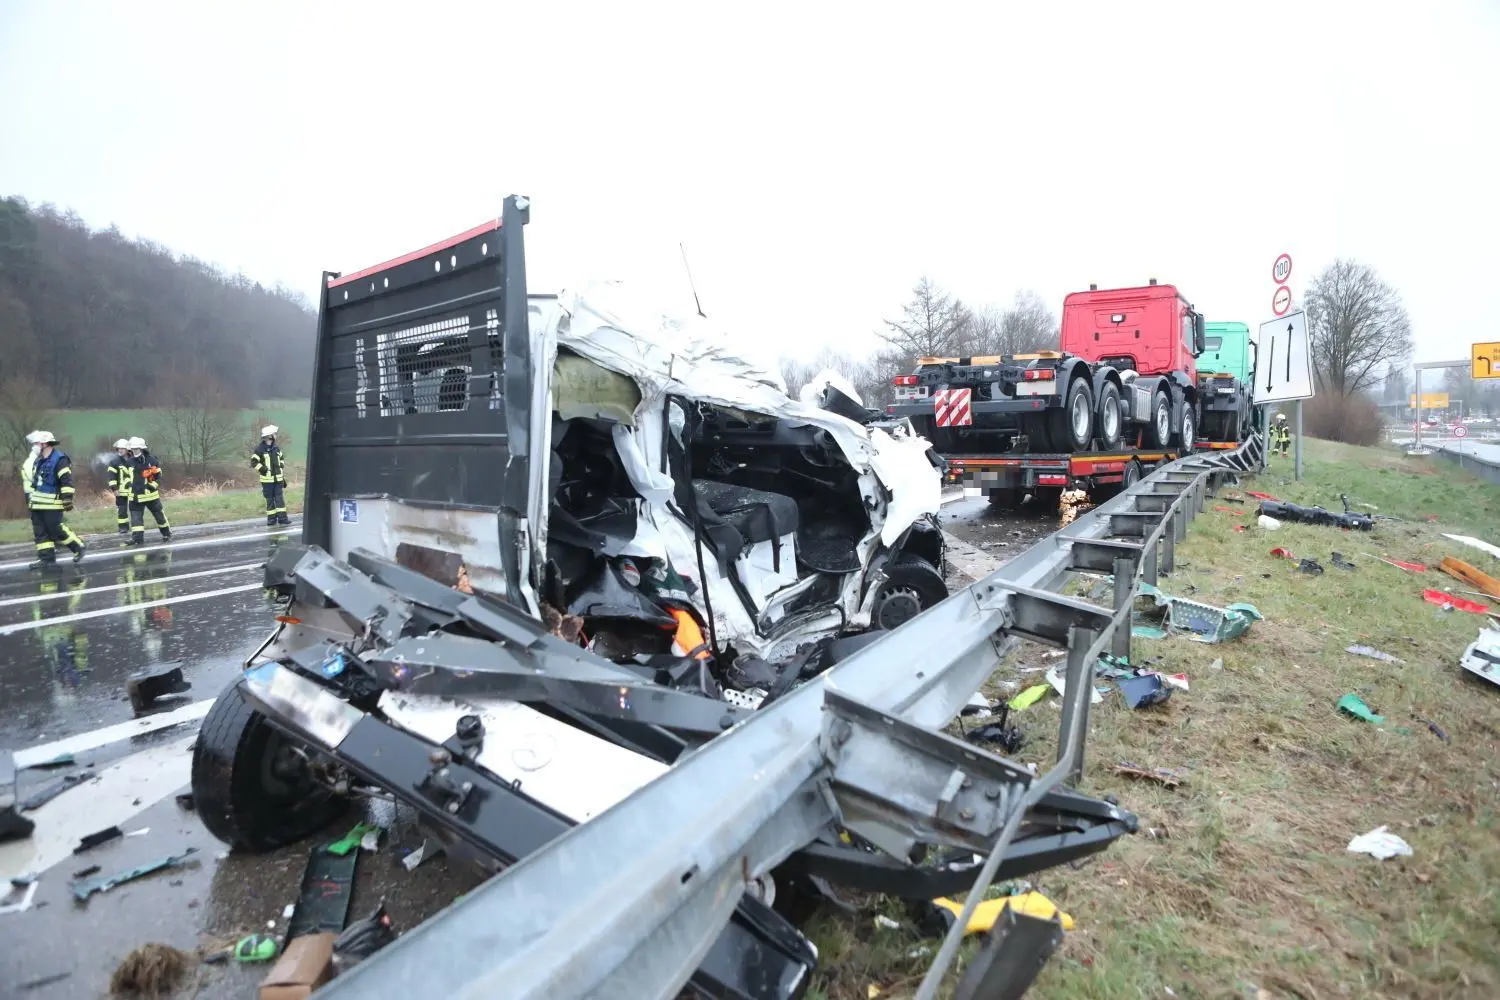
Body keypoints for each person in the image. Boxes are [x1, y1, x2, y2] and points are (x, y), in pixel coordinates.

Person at [27, 431, 85, 569]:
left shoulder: (60, 459)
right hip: (37, 504)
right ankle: (46, 558)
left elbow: (66, 481)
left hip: (52, 503)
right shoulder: (38, 460)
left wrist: (67, 499)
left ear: (45, 443)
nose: (34, 446)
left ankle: (78, 547)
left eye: (36, 443)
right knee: (40, 532)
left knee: (56, 529)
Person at [125, 436, 171, 545]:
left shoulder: (151, 460)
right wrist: (128, 488)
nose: (134, 451)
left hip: (151, 496)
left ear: (141, 449)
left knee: (159, 516)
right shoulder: (129, 462)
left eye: (136, 449)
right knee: (136, 520)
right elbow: (127, 478)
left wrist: (153, 485)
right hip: (135, 497)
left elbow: (158, 475)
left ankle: (166, 533)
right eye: (132, 449)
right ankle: (137, 539)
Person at [251, 424, 291, 526]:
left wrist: (281, 467)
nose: (276, 435)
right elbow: (254, 462)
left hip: (278, 480)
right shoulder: (260, 449)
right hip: (267, 481)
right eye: (274, 434)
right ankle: (271, 519)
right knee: (270, 500)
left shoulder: (276, 448)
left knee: (279, 499)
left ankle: (282, 518)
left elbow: (281, 459)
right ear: (270, 436)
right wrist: (264, 469)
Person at [108, 438, 133, 535]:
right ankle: (123, 528)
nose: (120, 450)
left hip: (133, 490)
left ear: (127, 449)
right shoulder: (114, 462)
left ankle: (136, 527)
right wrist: (114, 489)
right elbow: (111, 477)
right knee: (122, 511)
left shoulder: (133, 460)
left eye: (122, 448)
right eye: (119, 448)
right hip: (120, 492)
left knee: (135, 510)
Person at [19, 429, 46, 500]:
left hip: (36, 493)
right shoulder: (31, 461)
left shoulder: (39, 459)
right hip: (32, 494)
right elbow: (33, 477)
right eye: (40, 444)